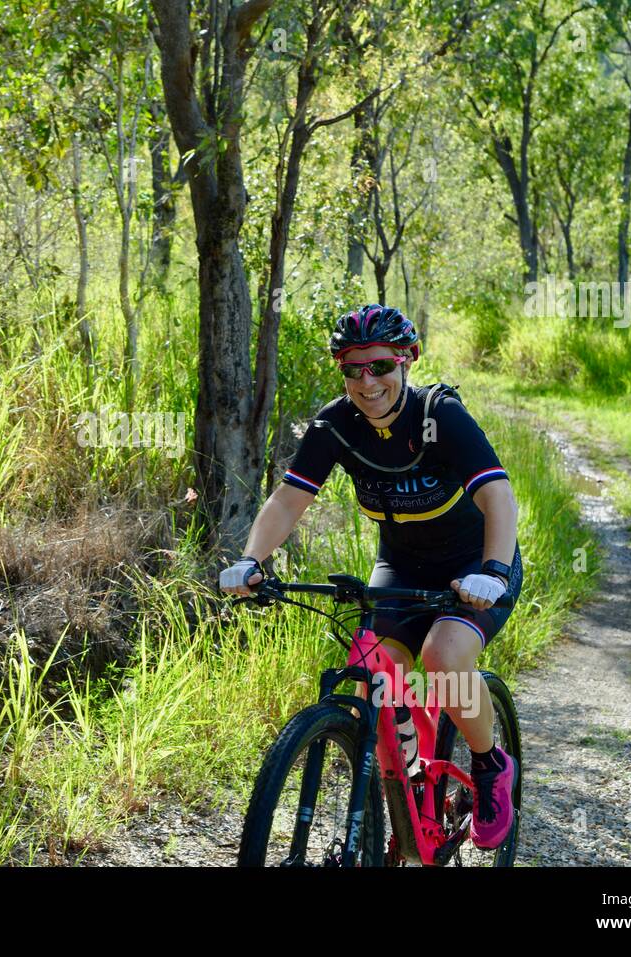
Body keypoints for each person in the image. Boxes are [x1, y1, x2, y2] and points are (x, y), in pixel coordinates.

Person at [218, 303, 522, 849]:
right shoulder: (335, 425)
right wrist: (252, 561)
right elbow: (290, 499)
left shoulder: (439, 416)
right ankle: (400, 806)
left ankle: (488, 765)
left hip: (474, 563)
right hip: (402, 566)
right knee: (370, 666)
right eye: (352, 368)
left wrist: (495, 572)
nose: (368, 381)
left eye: (380, 366)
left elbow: (497, 494)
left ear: (408, 360)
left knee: (444, 658)